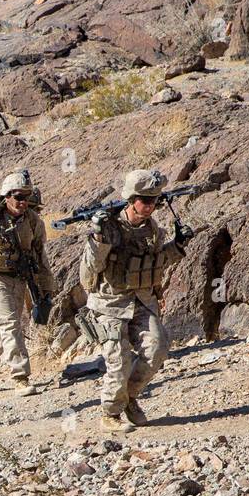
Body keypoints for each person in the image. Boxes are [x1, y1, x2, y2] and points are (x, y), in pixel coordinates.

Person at [80, 169, 191, 433]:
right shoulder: (108, 228)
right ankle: (110, 413)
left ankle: (128, 398)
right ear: (130, 199)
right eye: (144, 200)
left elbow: (154, 264)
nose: (150, 206)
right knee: (119, 361)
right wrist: (97, 239)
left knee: (158, 348)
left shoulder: (152, 229)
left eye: (155, 201)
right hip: (109, 303)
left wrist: (177, 246)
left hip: (141, 300)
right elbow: (87, 273)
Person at [0, 169, 55, 397]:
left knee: (7, 327)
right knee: (10, 324)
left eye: (27, 196)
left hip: (19, 278)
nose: (23, 202)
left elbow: (40, 257)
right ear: (6, 196)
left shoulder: (33, 221)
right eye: (18, 196)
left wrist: (47, 289)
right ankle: (20, 376)